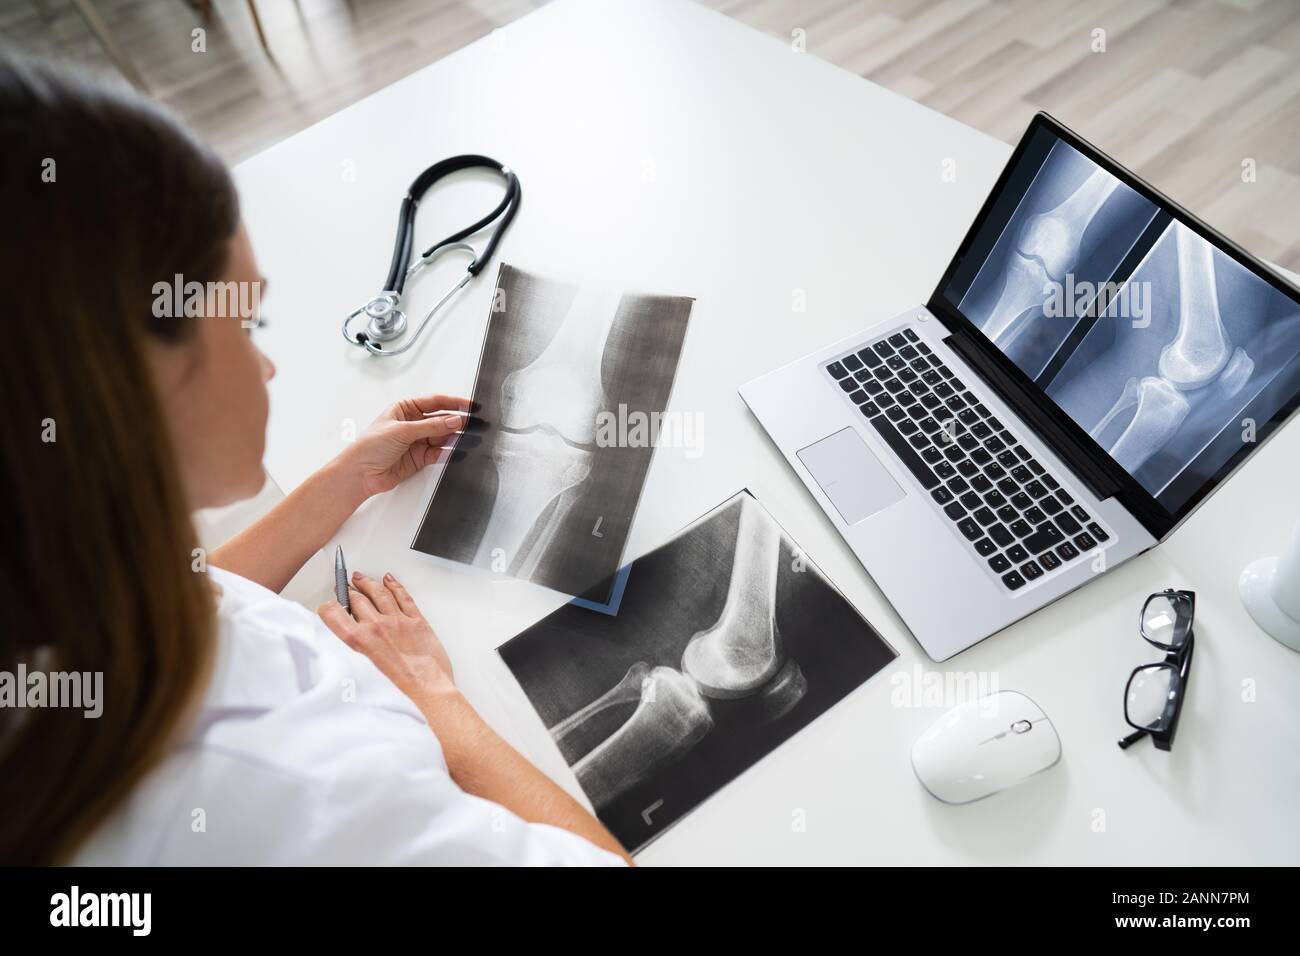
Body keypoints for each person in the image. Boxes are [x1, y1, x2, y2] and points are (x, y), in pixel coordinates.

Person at [0, 54, 629, 866]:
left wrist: (345, 484)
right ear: (122, 390)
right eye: (247, 327)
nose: (267, 367)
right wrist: (436, 700)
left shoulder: (47, 594)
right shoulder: (297, 794)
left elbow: (162, 627)